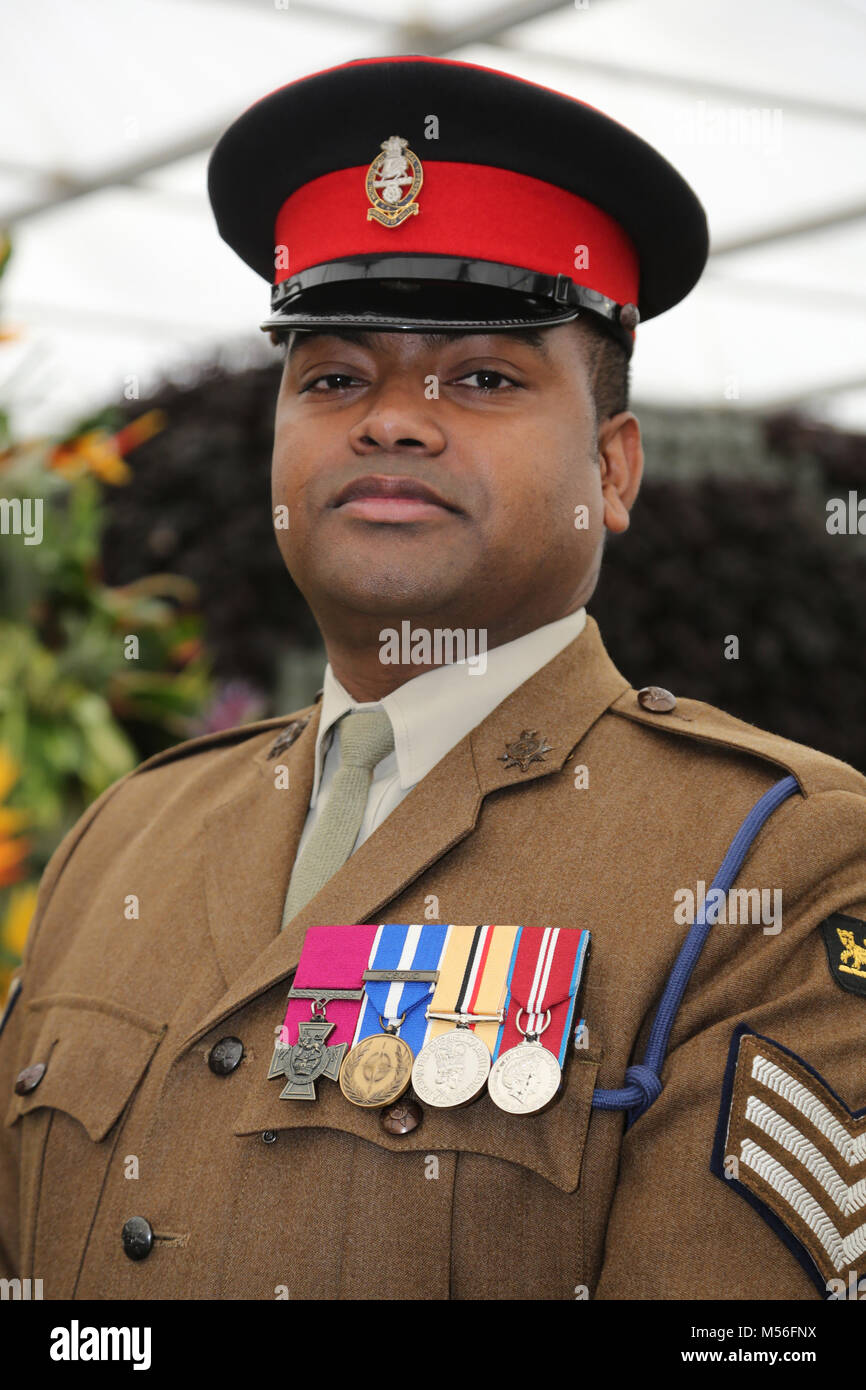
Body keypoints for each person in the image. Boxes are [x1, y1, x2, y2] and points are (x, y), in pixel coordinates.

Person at [1, 54, 864, 1303]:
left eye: (482, 377)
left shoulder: (771, 865)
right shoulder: (125, 836)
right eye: (335, 376)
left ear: (613, 472)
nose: (391, 420)